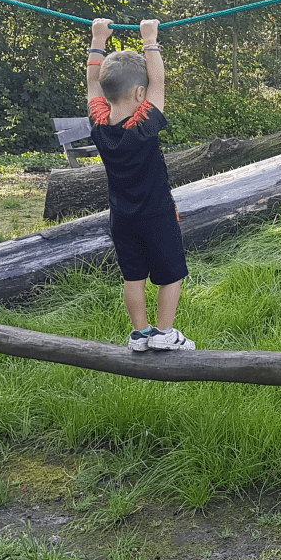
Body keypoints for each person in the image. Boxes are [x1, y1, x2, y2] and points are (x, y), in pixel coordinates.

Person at [86, 17, 195, 351]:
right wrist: (150, 39)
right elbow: (159, 81)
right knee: (171, 273)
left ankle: (140, 334)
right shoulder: (144, 125)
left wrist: (97, 39)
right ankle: (165, 333)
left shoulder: (100, 124)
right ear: (140, 93)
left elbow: (92, 84)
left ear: (107, 93)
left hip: (122, 218)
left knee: (133, 276)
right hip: (158, 214)